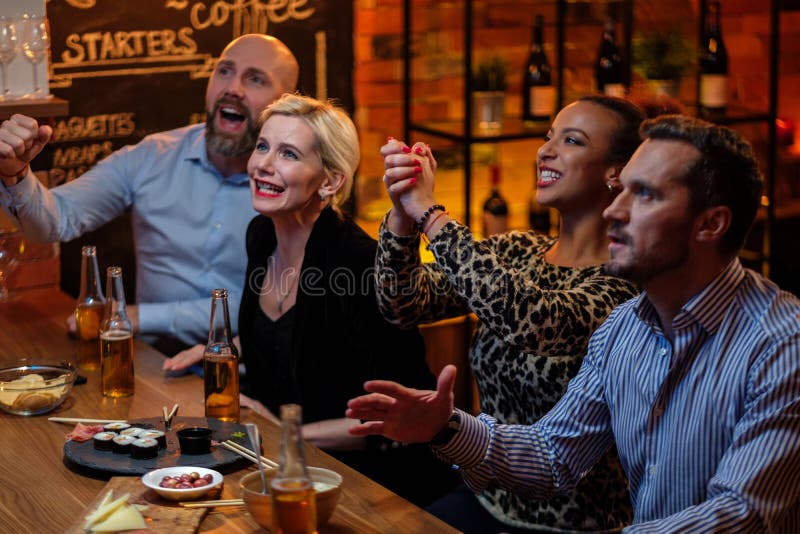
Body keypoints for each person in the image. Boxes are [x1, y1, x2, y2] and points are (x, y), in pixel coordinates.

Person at [347, 115, 800, 531]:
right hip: (497, 505)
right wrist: (446, 427)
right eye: (624, 190)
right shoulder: (626, 327)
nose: (614, 211)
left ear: (711, 224)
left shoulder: (782, 342)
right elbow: (553, 455)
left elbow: (741, 513)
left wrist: (431, 213)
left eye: (644, 194)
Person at [164, 93, 457, 506]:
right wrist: (225, 351)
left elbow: (397, 413)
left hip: (379, 486)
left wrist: (285, 432)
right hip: (285, 468)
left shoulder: (358, 263)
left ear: (330, 181)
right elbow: (303, 339)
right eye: (262, 146)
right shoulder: (261, 235)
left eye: (288, 154)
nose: (263, 164)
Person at [375, 95, 643, 532]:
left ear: (617, 172)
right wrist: (403, 214)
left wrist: (431, 214)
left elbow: (528, 319)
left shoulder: (623, 286)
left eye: (571, 140)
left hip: (578, 523)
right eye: (548, 137)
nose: (545, 150)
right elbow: (403, 304)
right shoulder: (519, 249)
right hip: (488, 497)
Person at [0, 34, 299, 354]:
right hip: (150, 364)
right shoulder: (151, 156)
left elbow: (276, 304)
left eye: (255, 79)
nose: (233, 88)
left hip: (246, 368)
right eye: (224, 71)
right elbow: (57, 219)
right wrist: (15, 174)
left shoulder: (295, 185)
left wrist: (141, 317)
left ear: (286, 105)